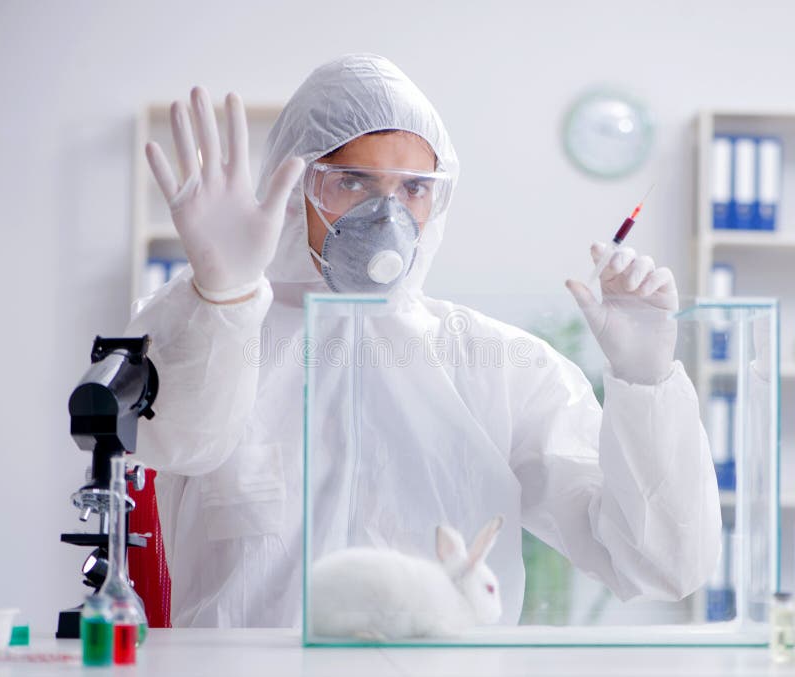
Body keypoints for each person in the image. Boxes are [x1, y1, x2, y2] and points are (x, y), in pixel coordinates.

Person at [128, 53, 721, 628]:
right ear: (293, 187)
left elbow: (657, 565)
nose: (387, 214)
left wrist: (646, 383)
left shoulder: (496, 366)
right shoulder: (219, 328)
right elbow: (174, 443)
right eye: (352, 182)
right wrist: (222, 297)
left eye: (413, 187)